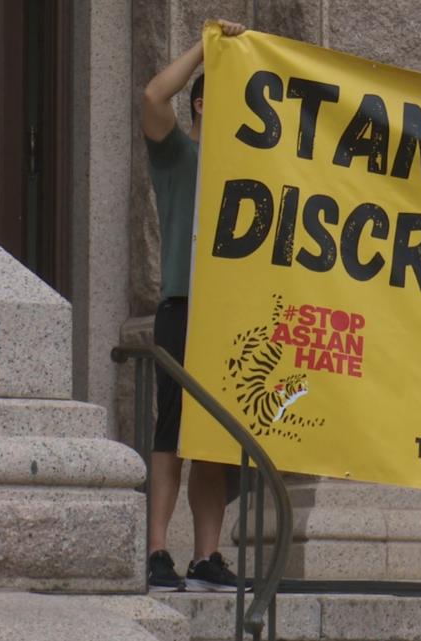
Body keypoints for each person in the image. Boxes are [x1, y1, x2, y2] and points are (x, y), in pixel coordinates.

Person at [140, 18, 248, 592]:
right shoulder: (178, 155)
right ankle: (158, 550)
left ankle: (207, 556)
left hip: (233, 312)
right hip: (184, 304)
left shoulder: (253, 169)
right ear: (204, 101)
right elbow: (156, 95)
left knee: (219, 436)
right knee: (172, 429)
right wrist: (205, 47)